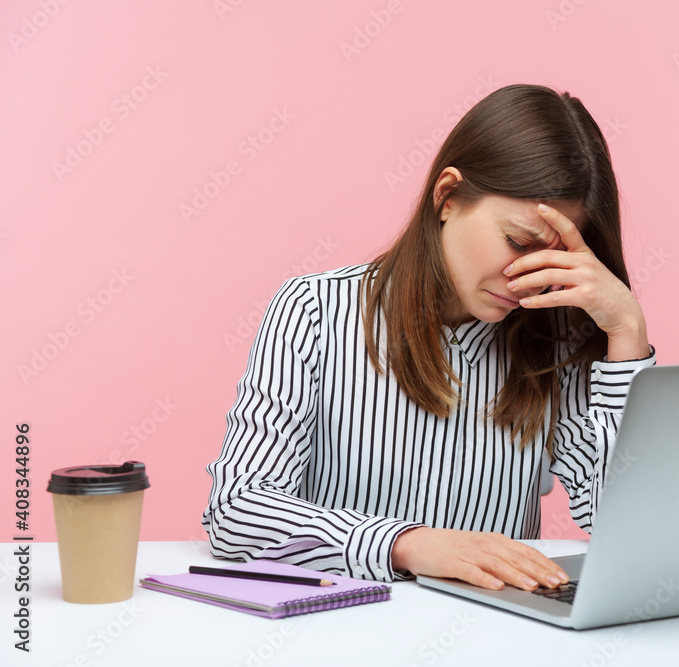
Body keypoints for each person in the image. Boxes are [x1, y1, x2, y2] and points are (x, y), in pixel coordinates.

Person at [201, 83, 656, 593]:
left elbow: (626, 525)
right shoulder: (315, 312)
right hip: (343, 626)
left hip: (494, 634)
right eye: (518, 242)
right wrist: (409, 544)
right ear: (447, 196)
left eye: (553, 259)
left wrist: (626, 337)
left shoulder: (558, 336)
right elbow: (237, 511)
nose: (529, 278)